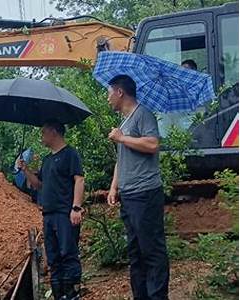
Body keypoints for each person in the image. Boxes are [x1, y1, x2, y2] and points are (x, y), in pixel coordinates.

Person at [106, 75, 170, 300]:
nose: (108, 98)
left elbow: (153, 144)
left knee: (151, 251)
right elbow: (121, 160)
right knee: (135, 253)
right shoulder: (124, 122)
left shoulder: (143, 115)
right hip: (129, 195)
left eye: (109, 92)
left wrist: (122, 138)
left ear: (120, 92)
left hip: (145, 193)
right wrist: (114, 187)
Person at [18, 120, 85, 300]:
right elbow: (38, 184)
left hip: (65, 213)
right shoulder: (47, 160)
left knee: (68, 253)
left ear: (54, 132)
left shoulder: (70, 154)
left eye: (43, 132)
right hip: (48, 214)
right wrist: (25, 169)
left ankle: (72, 293)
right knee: (53, 257)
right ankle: (58, 294)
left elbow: (79, 179)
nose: (41, 137)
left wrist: (76, 208)